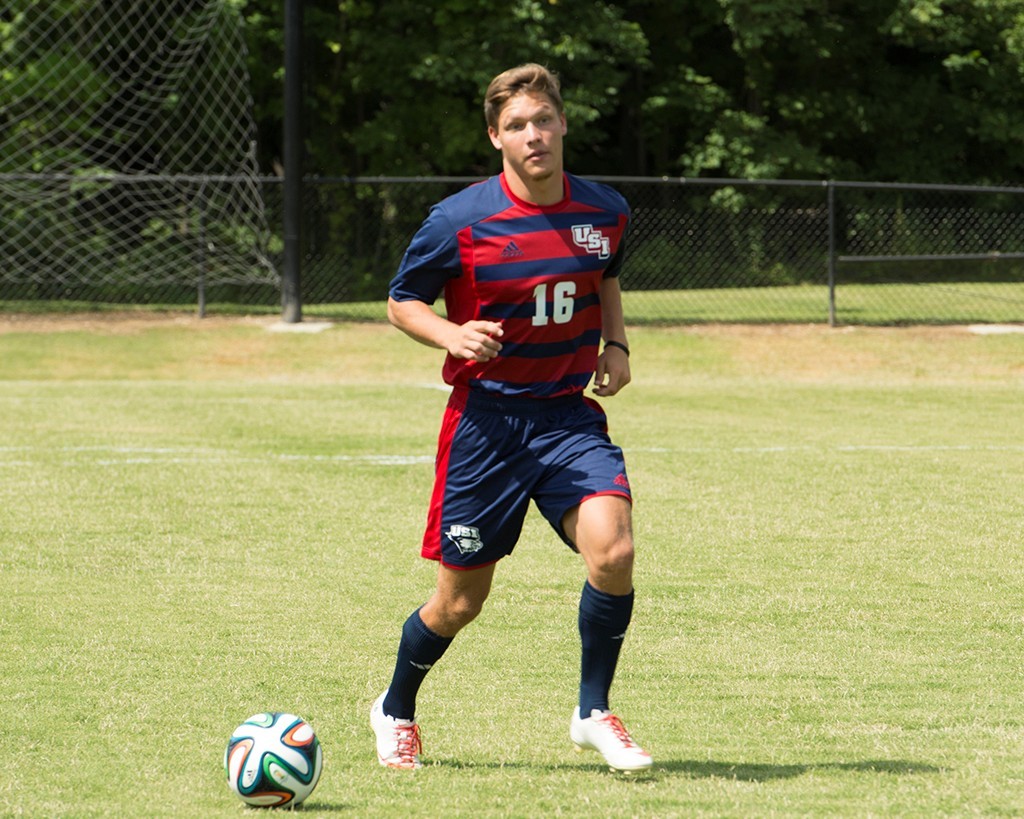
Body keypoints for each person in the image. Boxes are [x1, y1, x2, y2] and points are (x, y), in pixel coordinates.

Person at [371, 63, 651, 773]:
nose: (535, 135)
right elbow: (403, 301)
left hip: (565, 417)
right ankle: (396, 706)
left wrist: (614, 342)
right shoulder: (459, 221)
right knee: (460, 600)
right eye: (518, 125)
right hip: (486, 426)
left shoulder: (604, 210)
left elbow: (606, 274)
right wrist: (450, 334)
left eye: (544, 120)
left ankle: (593, 711)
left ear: (563, 125)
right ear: (496, 136)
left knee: (613, 552)